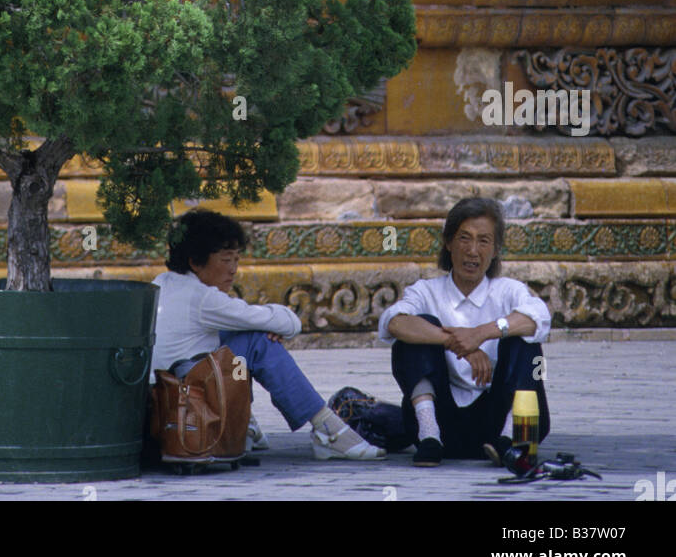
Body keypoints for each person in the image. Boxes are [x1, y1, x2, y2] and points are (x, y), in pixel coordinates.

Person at [151, 209, 384, 460]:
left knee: (237, 338)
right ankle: (328, 428)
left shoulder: (160, 282)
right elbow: (291, 324)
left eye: (236, 259)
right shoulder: (204, 299)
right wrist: (270, 322)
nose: (233, 270)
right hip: (190, 403)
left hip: (164, 403)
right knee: (256, 340)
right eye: (225, 260)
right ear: (195, 262)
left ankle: (245, 424)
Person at [378, 196, 551, 467]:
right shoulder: (426, 291)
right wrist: (457, 342)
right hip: (445, 422)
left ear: (494, 250)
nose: (473, 250)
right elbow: (393, 322)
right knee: (416, 328)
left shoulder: (508, 290)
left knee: (527, 342)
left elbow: (539, 318)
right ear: (448, 243)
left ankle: (512, 440)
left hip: (497, 417)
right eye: (464, 238)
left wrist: (483, 332)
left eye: (483, 241)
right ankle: (429, 437)